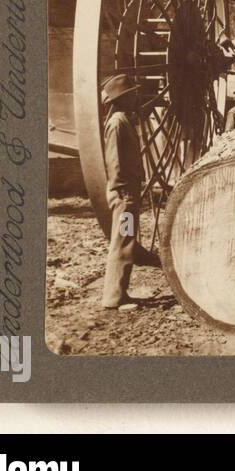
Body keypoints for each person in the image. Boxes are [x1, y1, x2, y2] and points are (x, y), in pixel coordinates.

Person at [99, 74, 149, 310]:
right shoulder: (118, 123)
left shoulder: (123, 120)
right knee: (122, 241)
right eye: (131, 95)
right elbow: (115, 160)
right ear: (122, 99)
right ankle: (114, 297)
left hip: (128, 192)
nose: (135, 97)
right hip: (124, 193)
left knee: (126, 240)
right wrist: (122, 191)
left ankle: (120, 293)